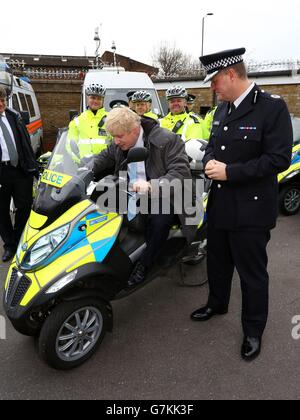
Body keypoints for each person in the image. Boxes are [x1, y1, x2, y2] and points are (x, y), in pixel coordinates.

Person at [190, 48, 293, 361]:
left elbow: (278, 159)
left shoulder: (271, 108)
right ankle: (217, 303)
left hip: (251, 209)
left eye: (215, 81)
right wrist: (209, 162)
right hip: (220, 204)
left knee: (252, 275)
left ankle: (252, 330)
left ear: (231, 74)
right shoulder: (222, 110)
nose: (212, 87)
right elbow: (210, 146)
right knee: (217, 262)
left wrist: (230, 171)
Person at [93, 107, 201, 287]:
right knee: (103, 211)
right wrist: (86, 169)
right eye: (113, 137)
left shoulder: (167, 140)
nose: (116, 141)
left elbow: (180, 172)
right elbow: (105, 156)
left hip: (167, 194)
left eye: (119, 136)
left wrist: (152, 185)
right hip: (133, 190)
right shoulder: (121, 141)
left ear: (134, 131)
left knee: (159, 222)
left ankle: (145, 264)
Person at [0, 86, 38, 262]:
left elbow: (25, 144)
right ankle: (9, 245)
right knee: (1, 211)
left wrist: (33, 167)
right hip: (1, 172)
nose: (1, 104)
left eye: (3, 100)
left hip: (20, 169)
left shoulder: (13, 117)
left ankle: (19, 238)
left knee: (24, 206)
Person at [67, 83, 111, 161]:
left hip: (105, 164)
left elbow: (116, 143)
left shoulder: (110, 119)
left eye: (99, 99)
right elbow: (69, 144)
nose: (96, 101)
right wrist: (79, 160)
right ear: (87, 98)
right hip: (83, 164)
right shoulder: (77, 121)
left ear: (103, 100)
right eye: (93, 98)